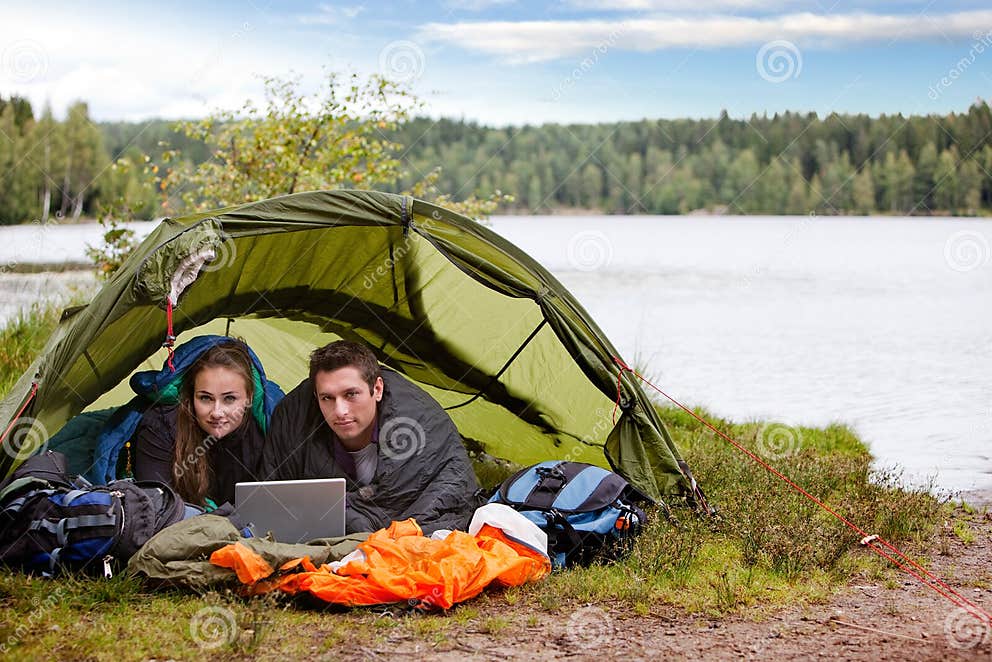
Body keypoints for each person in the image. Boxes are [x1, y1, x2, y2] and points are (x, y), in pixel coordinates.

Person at [261, 340, 480, 535]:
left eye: (351, 394)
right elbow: (271, 493)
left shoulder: (418, 420)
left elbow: (450, 480)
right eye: (327, 398)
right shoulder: (295, 418)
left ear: (377, 389)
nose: (340, 410)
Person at [132, 337, 283, 508]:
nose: (217, 412)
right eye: (205, 398)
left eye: (229, 398)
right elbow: (156, 507)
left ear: (249, 398)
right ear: (191, 396)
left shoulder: (266, 432)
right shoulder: (161, 426)